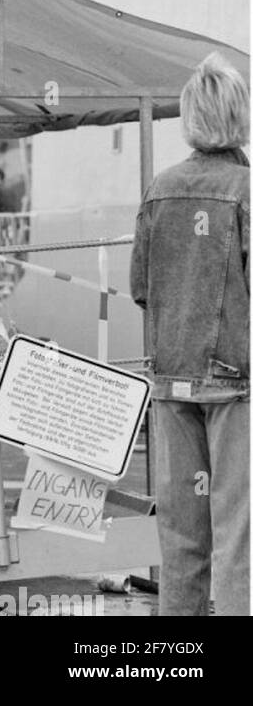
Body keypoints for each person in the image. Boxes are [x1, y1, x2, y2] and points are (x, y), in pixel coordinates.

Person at [130, 53, 249, 616]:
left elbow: (141, 288)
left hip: (170, 379)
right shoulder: (246, 190)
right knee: (238, 534)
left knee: (181, 534)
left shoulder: (160, 189)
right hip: (237, 383)